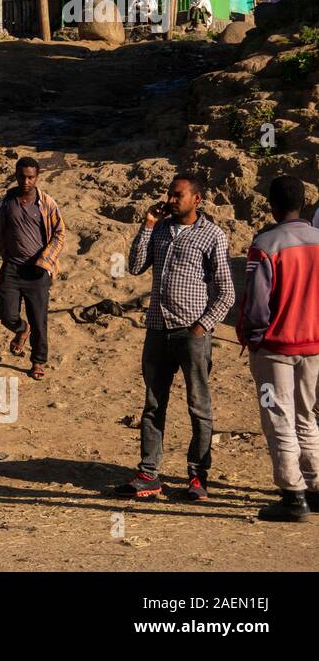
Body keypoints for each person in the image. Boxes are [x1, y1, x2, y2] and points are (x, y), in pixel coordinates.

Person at [117, 174, 234, 501]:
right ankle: (149, 474)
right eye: (170, 193)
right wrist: (148, 225)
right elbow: (136, 266)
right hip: (157, 329)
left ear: (197, 199)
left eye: (178, 195)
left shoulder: (212, 235)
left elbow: (226, 292)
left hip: (191, 333)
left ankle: (198, 478)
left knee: (199, 406)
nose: (171, 199)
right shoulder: (162, 229)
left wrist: (203, 326)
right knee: (153, 404)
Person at [237, 176, 319, 522]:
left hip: (275, 348)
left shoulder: (265, 244)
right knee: (308, 415)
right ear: (304, 203)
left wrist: (252, 336)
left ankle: (292, 494)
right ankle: (315, 485)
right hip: (314, 346)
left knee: (277, 416)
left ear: (271, 205)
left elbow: (257, 303)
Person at [0, 157, 66, 380]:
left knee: (39, 320)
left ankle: (38, 362)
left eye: (30, 177)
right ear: (16, 176)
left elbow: (59, 234)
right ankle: (20, 329)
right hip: (12, 268)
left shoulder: (47, 203)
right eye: (21, 176)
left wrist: (45, 260)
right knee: (6, 314)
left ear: (37, 178)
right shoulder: (7, 202)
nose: (26, 181)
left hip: (37, 272)